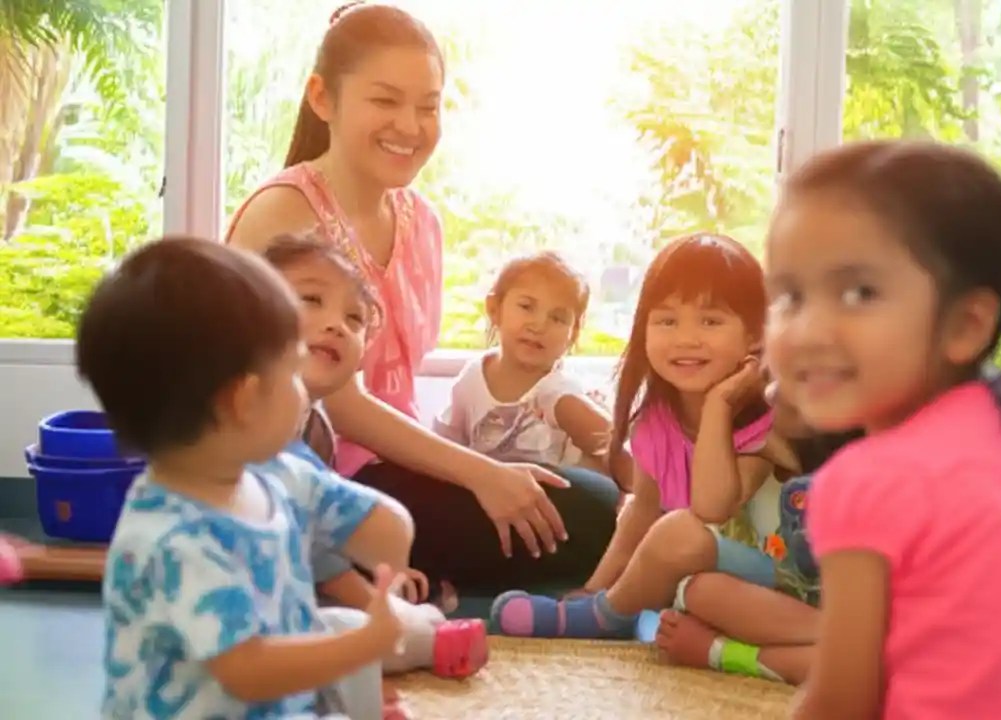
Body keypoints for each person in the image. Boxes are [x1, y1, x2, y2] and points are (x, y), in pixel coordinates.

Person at [224, 2, 618, 594]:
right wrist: (481, 474)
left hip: (397, 468)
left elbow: (399, 393)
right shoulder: (284, 213)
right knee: (591, 518)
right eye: (385, 101)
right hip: (306, 476)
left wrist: (483, 466)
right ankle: (357, 567)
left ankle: (401, 571)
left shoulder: (420, 220)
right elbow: (340, 404)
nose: (410, 126)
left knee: (596, 499)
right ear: (323, 99)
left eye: (428, 106)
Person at [764, 140, 1001, 720]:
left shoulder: (868, 479)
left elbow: (841, 705)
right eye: (789, 296)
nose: (809, 329)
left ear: (966, 324)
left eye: (859, 293)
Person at [80, 237, 414, 719]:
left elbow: (382, 527)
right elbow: (249, 671)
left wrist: (390, 543)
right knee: (343, 643)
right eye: (293, 374)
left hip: (281, 707)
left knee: (332, 635)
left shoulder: (277, 474)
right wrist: (365, 644)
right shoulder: (175, 540)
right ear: (244, 400)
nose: (303, 390)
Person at [490, 234, 802, 639]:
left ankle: (604, 617)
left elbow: (711, 509)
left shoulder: (767, 422)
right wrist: (594, 585)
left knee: (680, 533)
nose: (686, 338)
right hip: (711, 586)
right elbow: (640, 513)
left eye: (710, 321)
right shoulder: (656, 421)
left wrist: (720, 406)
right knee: (686, 595)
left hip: (784, 585)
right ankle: (611, 608)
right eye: (667, 320)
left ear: (756, 335)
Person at [260, 233, 488, 688]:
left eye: (354, 318)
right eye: (311, 300)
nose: (336, 325)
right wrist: (367, 596)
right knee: (353, 639)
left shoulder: (315, 426)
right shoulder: (247, 422)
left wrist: (385, 570)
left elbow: (323, 527)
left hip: (287, 590)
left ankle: (413, 627)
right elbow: (305, 542)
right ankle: (424, 642)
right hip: (238, 617)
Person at [654, 386, 864, 685]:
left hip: (878, 617)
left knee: (870, 666)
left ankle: (723, 652)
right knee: (699, 591)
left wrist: (714, 650)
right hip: (814, 609)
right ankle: (850, 638)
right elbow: (708, 503)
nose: (769, 392)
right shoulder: (777, 452)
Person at [434, 251, 629, 486]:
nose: (539, 325)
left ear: (573, 334)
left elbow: (624, 457)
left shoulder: (561, 395)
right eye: (526, 307)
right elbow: (444, 449)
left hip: (556, 505)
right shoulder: (472, 378)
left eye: (557, 318)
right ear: (494, 309)